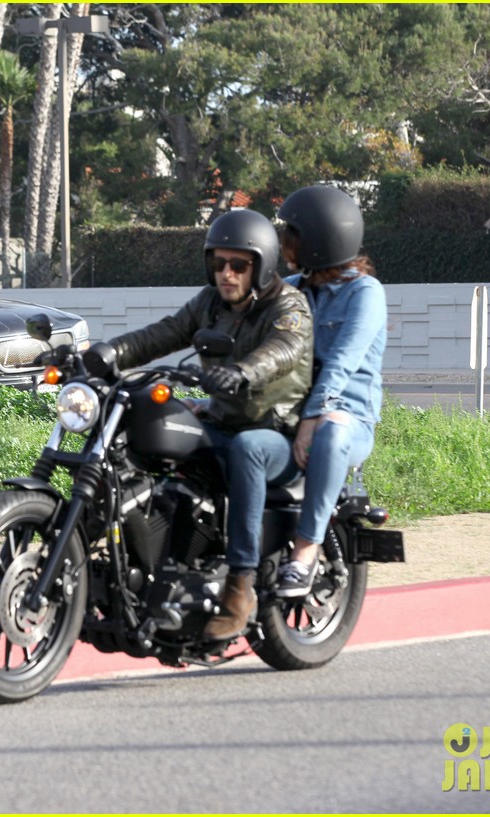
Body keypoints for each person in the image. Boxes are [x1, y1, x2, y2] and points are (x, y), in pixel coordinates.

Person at [106, 209, 313, 640]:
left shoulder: (288, 305)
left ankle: (240, 585)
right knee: (152, 436)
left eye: (238, 265)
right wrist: (106, 354)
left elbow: (283, 348)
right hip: (222, 422)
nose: (226, 274)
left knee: (248, 449)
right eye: (218, 263)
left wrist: (242, 372)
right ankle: (161, 565)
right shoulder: (209, 303)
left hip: (276, 434)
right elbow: (162, 334)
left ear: (261, 266)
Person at [274, 185, 387, 597]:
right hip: (289, 413)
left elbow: (341, 363)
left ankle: (305, 549)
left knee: (332, 430)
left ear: (320, 240)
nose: (284, 243)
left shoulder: (365, 294)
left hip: (348, 420)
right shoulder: (289, 288)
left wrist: (312, 419)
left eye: (292, 235)